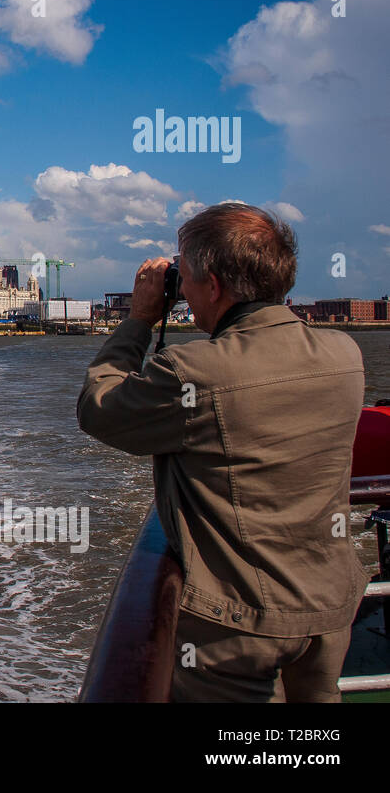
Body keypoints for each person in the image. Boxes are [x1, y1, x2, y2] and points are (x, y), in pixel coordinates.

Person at [77, 203, 368, 702]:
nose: (181, 292)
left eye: (185, 279)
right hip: (329, 609)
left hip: (240, 628)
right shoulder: (345, 355)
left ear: (212, 286)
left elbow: (99, 408)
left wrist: (140, 320)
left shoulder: (195, 371)